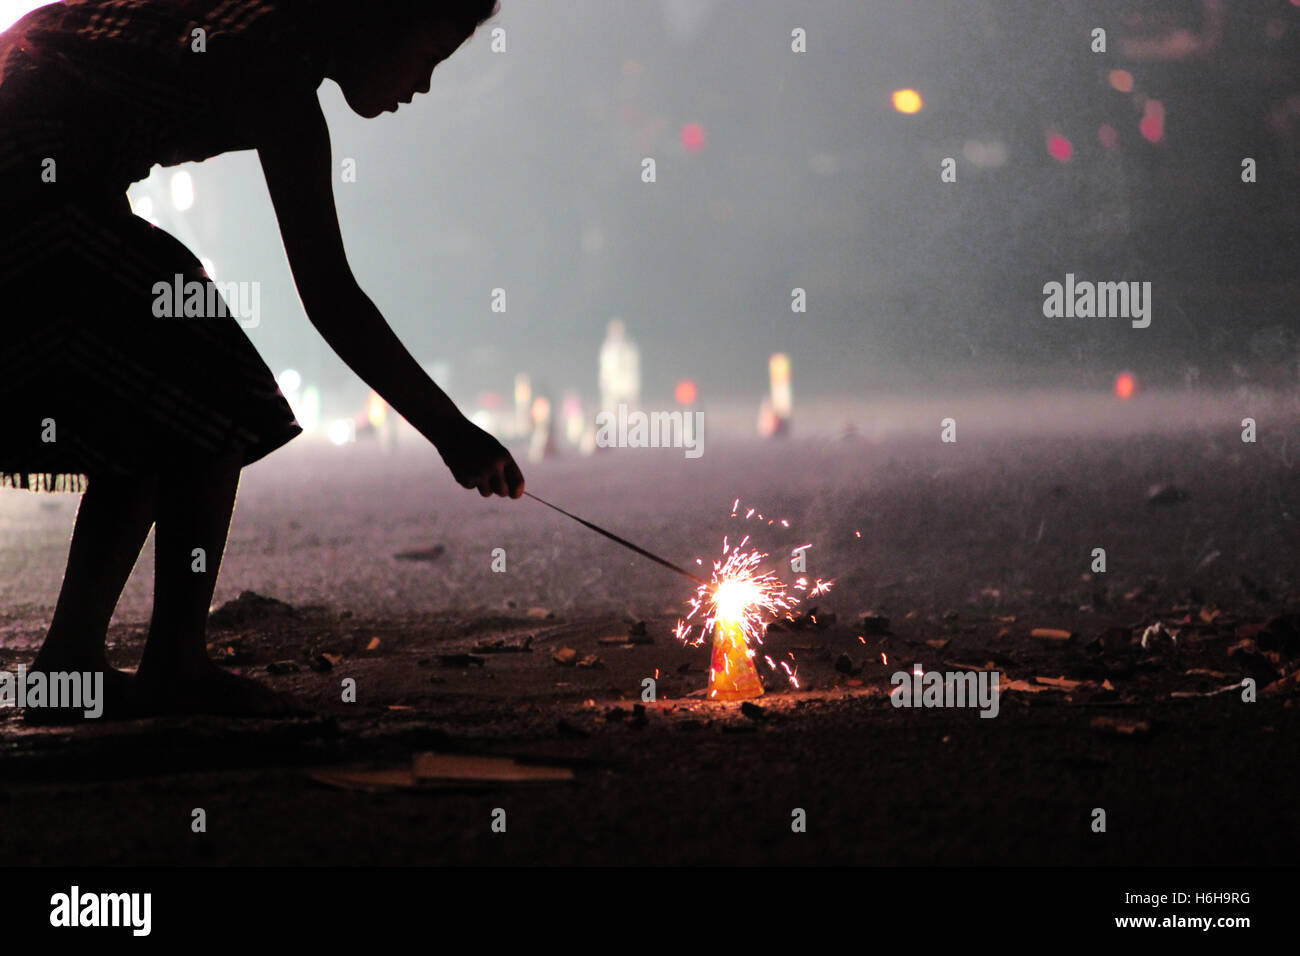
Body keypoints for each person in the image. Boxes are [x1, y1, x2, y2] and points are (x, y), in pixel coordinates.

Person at [0, 0, 523, 721]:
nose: (423, 85)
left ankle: (70, 666)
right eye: (426, 58)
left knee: (158, 395)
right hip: (26, 170)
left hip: (33, 153)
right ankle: (171, 666)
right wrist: (452, 432)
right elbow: (332, 299)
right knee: (209, 377)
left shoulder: (265, 42)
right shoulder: (275, 67)